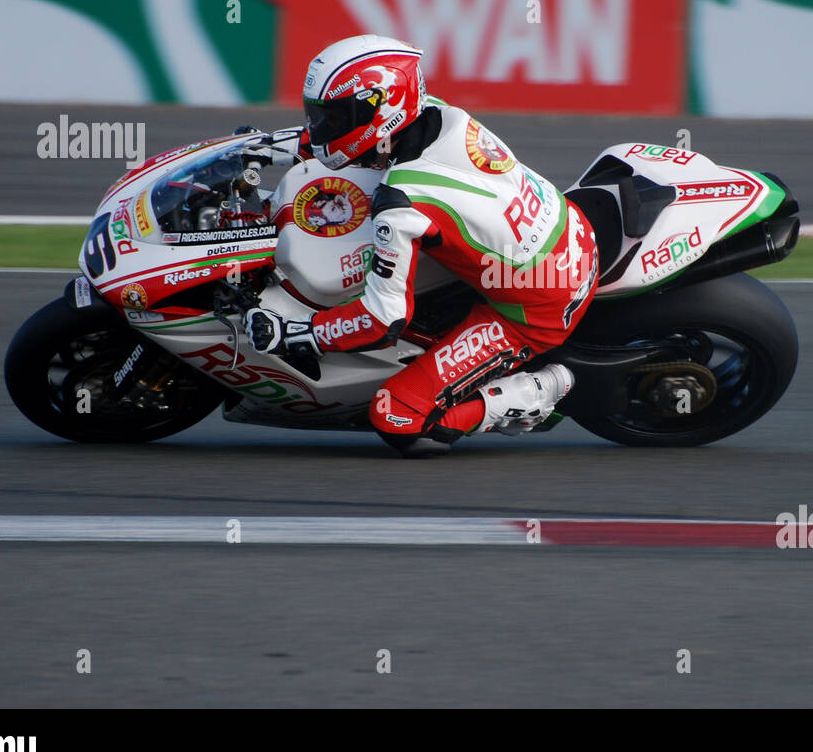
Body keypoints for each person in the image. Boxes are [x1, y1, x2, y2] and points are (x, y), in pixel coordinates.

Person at [247, 35, 598, 455]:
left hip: (536, 307)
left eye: (334, 118)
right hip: (568, 229)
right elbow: (356, 144)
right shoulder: (438, 113)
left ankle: (540, 387)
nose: (322, 129)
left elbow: (383, 320)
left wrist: (300, 334)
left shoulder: (402, 201)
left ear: (381, 110)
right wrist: (270, 148)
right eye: (318, 116)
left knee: (396, 417)